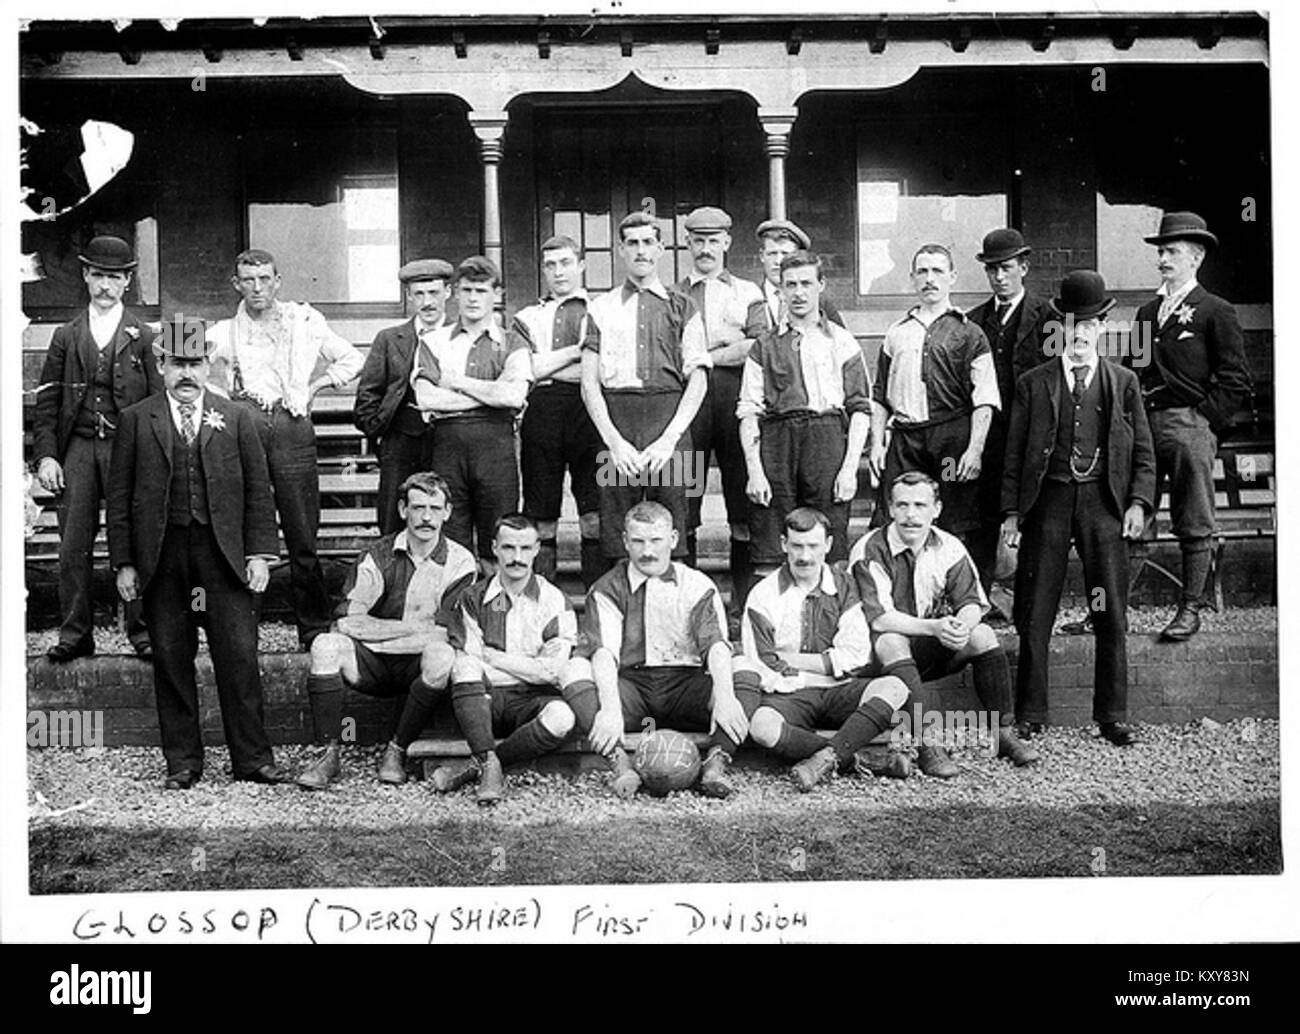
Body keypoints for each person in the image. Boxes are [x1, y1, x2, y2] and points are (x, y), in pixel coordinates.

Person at [106, 316, 289, 788]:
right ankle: (183, 763)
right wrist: (125, 562)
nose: (186, 375)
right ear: (161, 365)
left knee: (239, 656)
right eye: (177, 365)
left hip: (222, 554)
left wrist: (259, 554)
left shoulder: (237, 417)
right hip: (162, 557)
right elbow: (120, 498)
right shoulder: (135, 420)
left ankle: (251, 760)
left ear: (208, 365)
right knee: (170, 655)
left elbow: (257, 492)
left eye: (195, 364)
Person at [1002, 271, 1156, 747]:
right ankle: (1030, 713)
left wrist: (1138, 503)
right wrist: (1011, 514)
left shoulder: (1123, 382)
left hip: (1102, 504)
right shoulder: (1034, 384)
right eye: (1072, 324)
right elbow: (1013, 453)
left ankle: (1111, 715)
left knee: (1109, 610)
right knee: (1035, 610)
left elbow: (1145, 452)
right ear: (1059, 329)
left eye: (1090, 324)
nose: (1081, 333)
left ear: (1102, 327)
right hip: (1047, 501)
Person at [207, 248, 364, 649]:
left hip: (293, 428)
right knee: (243, 530)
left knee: (302, 535)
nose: (257, 288)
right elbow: (168, 356)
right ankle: (243, 629)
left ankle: (312, 629)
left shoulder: (305, 320)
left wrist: (313, 388)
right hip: (245, 428)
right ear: (236, 284)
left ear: (277, 281)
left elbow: (351, 359)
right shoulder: (223, 330)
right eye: (248, 280)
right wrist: (222, 399)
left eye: (265, 279)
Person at [295, 471, 478, 790]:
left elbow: (442, 633)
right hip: (373, 664)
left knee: (442, 654)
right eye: (418, 507)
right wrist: (410, 628)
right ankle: (328, 754)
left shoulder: (461, 562)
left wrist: (379, 632)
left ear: (447, 512)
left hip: (415, 666)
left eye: (435, 509)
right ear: (402, 510)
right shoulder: (377, 555)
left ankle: (397, 750)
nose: (426, 517)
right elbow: (348, 622)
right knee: (325, 644)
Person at [850, 471, 1039, 777]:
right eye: (902, 505)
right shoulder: (870, 548)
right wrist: (935, 628)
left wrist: (960, 626)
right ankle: (929, 745)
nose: (911, 515)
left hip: (924, 646)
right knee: (892, 639)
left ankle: (1002, 733)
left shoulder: (948, 546)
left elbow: (972, 603)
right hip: (875, 659)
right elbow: (880, 619)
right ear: (890, 508)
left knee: (982, 634)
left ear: (936, 509)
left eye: (920, 506)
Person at [562, 501, 750, 798]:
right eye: (637, 541)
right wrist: (610, 710)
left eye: (656, 541)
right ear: (625, 541)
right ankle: (620, 763)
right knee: (574, 669)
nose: (647, 551)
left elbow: (715, 646)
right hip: (632, 687)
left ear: (674, 539)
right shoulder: (607, 588)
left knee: (742, 669)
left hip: (686, 686)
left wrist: (725, 698)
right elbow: (604, 653)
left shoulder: (697, 584)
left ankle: (716, 762)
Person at [33, 235, 161, 662]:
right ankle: (75, 633)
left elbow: (159, 399)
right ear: (86, 276)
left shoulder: (144, 335)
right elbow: (48, 401)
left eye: (115, 277)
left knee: (139, 539)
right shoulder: (66, 335)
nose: (106, 286)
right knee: (73, 544)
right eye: (98, 276)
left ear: (127, 281)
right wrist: (47, 455)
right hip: (81, 447)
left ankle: (142, 631)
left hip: (130, 450)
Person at [1130, 212, 1250, 641]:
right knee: (1132, 509)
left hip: (1189, 426)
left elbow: (1235, 378)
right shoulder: (1147, 313)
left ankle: (1190, 609)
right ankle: (1108, 612)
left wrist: (1204, 423)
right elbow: (1135, 370)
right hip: (1145, 426)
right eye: (1161, 251)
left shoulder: (1215, 311)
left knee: (1194, 517)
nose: (1163, 259)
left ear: (1196, 257)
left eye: (1172, 252)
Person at [737, 507, 909, 791]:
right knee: (762, 727)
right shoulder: (763, 594)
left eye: (813, 546)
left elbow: (855, 656)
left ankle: (827, 758)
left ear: (828, 545)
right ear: (783, 544)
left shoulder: (845, 586)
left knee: (895, 687)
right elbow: (764, 665)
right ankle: (860, 759)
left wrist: (792, 660)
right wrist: (817, 669)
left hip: (838, 689)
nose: (805, 556)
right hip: (789, 693)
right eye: (797, 546)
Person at [580, 211, 710, 563]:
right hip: (617, 420)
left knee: (677, 523)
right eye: (632, 243)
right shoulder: (600, 307)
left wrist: (669, 438)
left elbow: (698, 377)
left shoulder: (684, 306)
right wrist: (613, 441)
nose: (640, 251)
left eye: (648, 242)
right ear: (620, 249)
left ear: (661, 248)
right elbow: (589, 383)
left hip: (672, 421)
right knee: (617, 527)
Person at [433, 514, 585, 804]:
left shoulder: (554, 600)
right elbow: (470, 659)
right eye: (508, 548)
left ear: (538, 549)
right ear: (494, 548)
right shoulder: (473, 598)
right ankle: (488, 764)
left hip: (530, 702)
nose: (517, 558)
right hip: (483, 700)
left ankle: (479, 765)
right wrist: (528, 666)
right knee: (463, 665)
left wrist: (495, 657)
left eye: (525, 548)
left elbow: (551, 672)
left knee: (563, 716)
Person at [737, 250, 871, 574]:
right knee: (771, 533)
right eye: (790, 285)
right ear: (780, 289)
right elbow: (749, 411)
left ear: (821, 285)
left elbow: (860, 408)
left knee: (829, 534)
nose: (798, 292)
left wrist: (850, 467)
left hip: (826, 439)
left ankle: (828, 617)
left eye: (806, 284)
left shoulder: (841, 340)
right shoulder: (764, 345)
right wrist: (755, 470)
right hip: (777, 441)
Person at [868, 244, 999, 550]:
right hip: (905, 441)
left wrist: (975, 450)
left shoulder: (970, 334)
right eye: (922, 271)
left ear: (952, 277)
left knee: (953, 518)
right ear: (912, 278)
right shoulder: (897, 333)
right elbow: (879, 397)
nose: (930, 278)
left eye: (938, 271)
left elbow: (985, 399)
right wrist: (876, 443)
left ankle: (952, 593)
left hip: (951, 441)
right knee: (899, 514)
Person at [674, 206, 767, 605]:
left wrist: (707, 356)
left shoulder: (748, 291)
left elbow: (758, 344)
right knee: (686, 499)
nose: (706, 249)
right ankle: (694, 603)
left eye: (714, 241)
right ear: (688, 244)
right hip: (689, 405)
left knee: (741, 500)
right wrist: (727, 347)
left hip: (733, 399)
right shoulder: (673, 295)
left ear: (727, 243)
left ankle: (744, 604)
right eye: (698, 241)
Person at [412, 255, 531, 567]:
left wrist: (455, 382)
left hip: (496, 447)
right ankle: (455, 613)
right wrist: (489, 393)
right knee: (450, 538)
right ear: (455, 293)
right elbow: (427, 398)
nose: (473, 298)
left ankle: (497, 613)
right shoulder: (434, 341)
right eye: (467, 291)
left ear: (497, 295)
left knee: (500, 534)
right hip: (447, 444)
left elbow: (514, 395)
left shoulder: (511, 340)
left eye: (481, 291)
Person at [965, 229, 1055, 600]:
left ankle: (1029, 602)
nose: (999, 277)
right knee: (983, 521)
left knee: (1031, 518)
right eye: (992, 270)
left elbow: (1057, 382)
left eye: (1006, 268)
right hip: (989, 439)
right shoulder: (972, 321)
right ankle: (981, 599)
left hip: (1031, 440)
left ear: (1024, 267)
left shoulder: (1049, 316)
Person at [510, 236, 604, 587]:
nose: (558, 271)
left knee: (594, 514)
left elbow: (601, 368)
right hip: (542, 414)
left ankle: (597, 598)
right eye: (550, 265)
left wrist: (547, 364)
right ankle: (543, 599)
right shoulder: (528, 316)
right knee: (541, 513)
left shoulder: (602, 309)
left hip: (590, 412)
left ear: (580, 265)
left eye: (565, 263)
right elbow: (526, 368)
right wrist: (576, 353)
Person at [354, 258, 454, 535]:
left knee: (447, 516)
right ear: (409, 297)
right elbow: (366, 398)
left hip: (451, 440)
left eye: (434, 293)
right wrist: (384, 434)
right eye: (419, 294)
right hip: (401, 442)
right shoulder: (389, 339)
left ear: (448, 292)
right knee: (393, 516)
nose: (427, 302)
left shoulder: (461, 337)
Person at [754, 218, 845, 330]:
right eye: (772, 253)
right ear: (762, 256)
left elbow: (842, 342)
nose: (778, 261)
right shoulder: (751, 297)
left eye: (785, 254)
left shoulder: (819, 301)